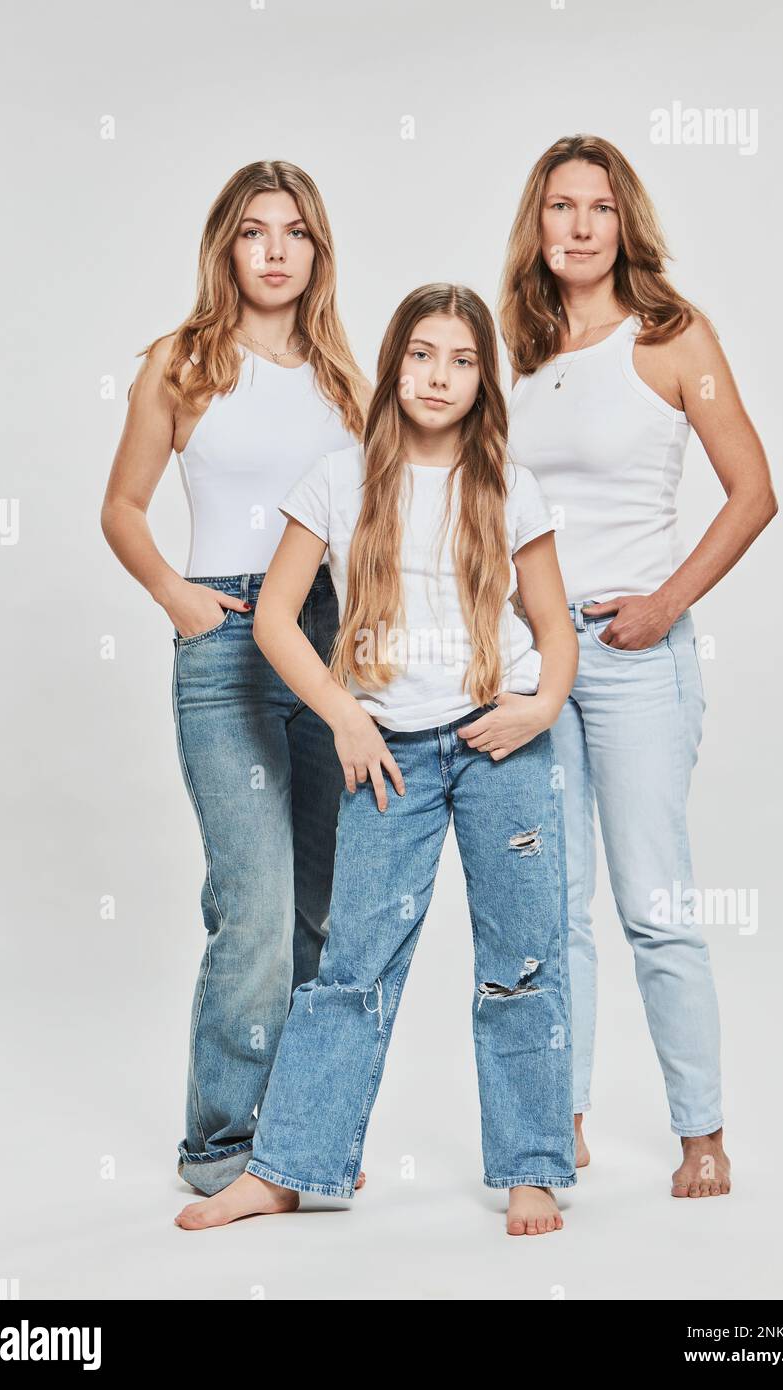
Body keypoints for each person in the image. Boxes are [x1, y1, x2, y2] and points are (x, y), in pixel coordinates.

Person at [174, 283, 580, 1236]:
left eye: (463, 360)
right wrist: (344, 721)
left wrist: (540, 707)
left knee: (520, 960)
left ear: (483, 379)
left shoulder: (511, 486)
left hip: (498, 743)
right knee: (349, 966)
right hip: (386, 752)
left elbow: (554, 630)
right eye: (423, 355)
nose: (439, 377)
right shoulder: (338, 476)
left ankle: (529, 1168)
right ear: (394, 363)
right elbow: (275, 618)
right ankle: (286, 1168)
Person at [501, 134, 778, 1197]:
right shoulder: (517, 353)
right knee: (552, 904)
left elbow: (752, 489)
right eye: (560, 207)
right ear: (537, 225)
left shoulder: (671, 336)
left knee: (653, 899)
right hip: (538, 658)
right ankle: (559, 1117)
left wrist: (664, 603)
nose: (578, 226)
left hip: (633, 650)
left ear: (625, 224)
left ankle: (700, 1131)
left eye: (599, 209)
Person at [100, 160, 368, 1196]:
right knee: (253, 907)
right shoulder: (182, 362)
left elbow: (373, 520)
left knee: (316, 909)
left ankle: (292, 1141)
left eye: (295, 232)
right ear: (226, 246)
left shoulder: (345, 376)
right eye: (255, 231)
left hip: (324, 637)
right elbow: (122, 504)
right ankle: (220, 1146)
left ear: (317, 251)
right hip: (222, 641)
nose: (274, 250)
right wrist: (174, 592)